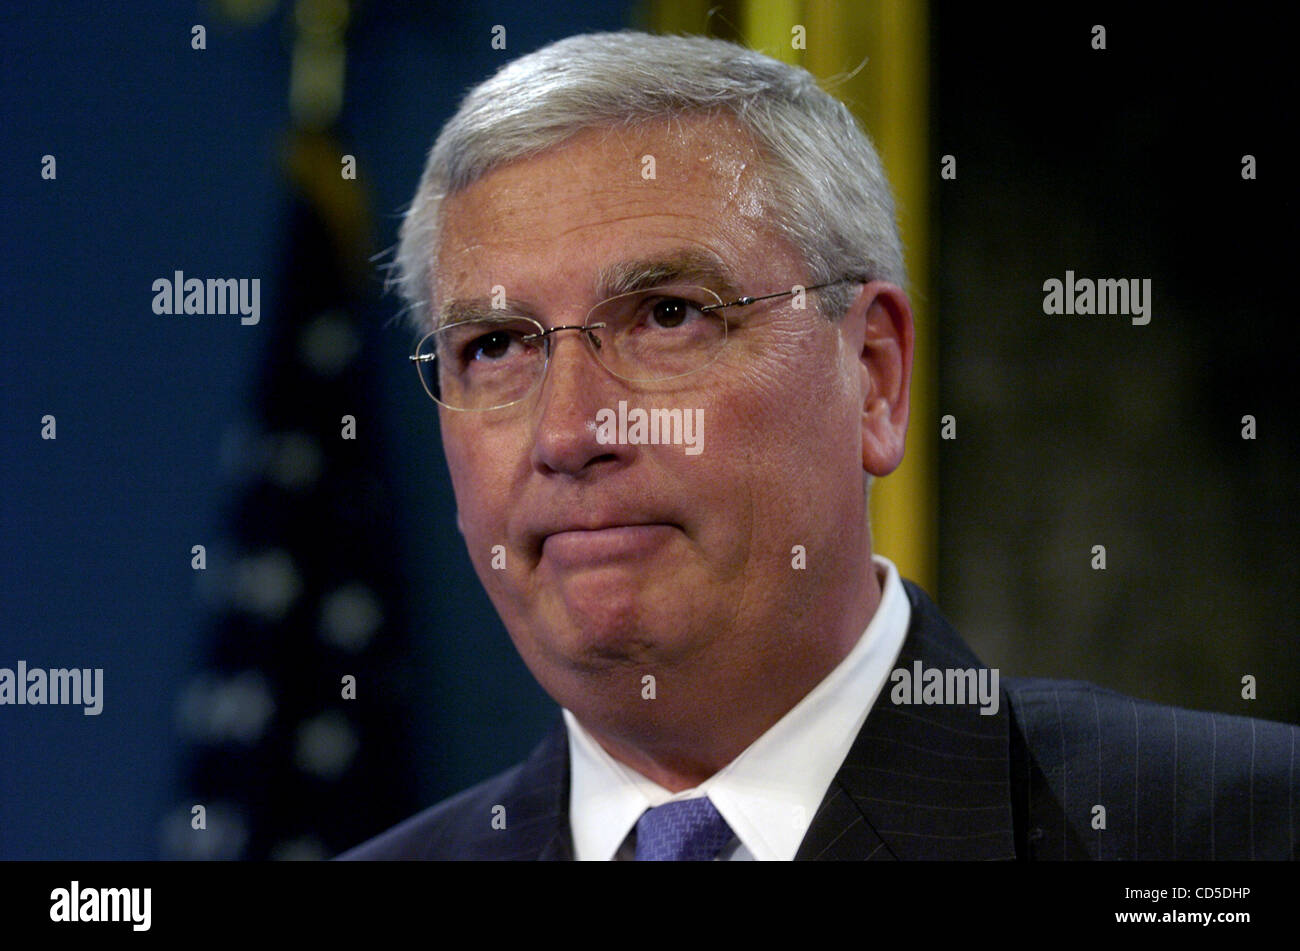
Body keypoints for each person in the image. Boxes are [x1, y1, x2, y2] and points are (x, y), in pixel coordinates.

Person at [341, 31, 1297, 860]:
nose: (569, 432)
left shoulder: (1233, 829)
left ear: (873, 373)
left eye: (669, 316)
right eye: (496, 345)